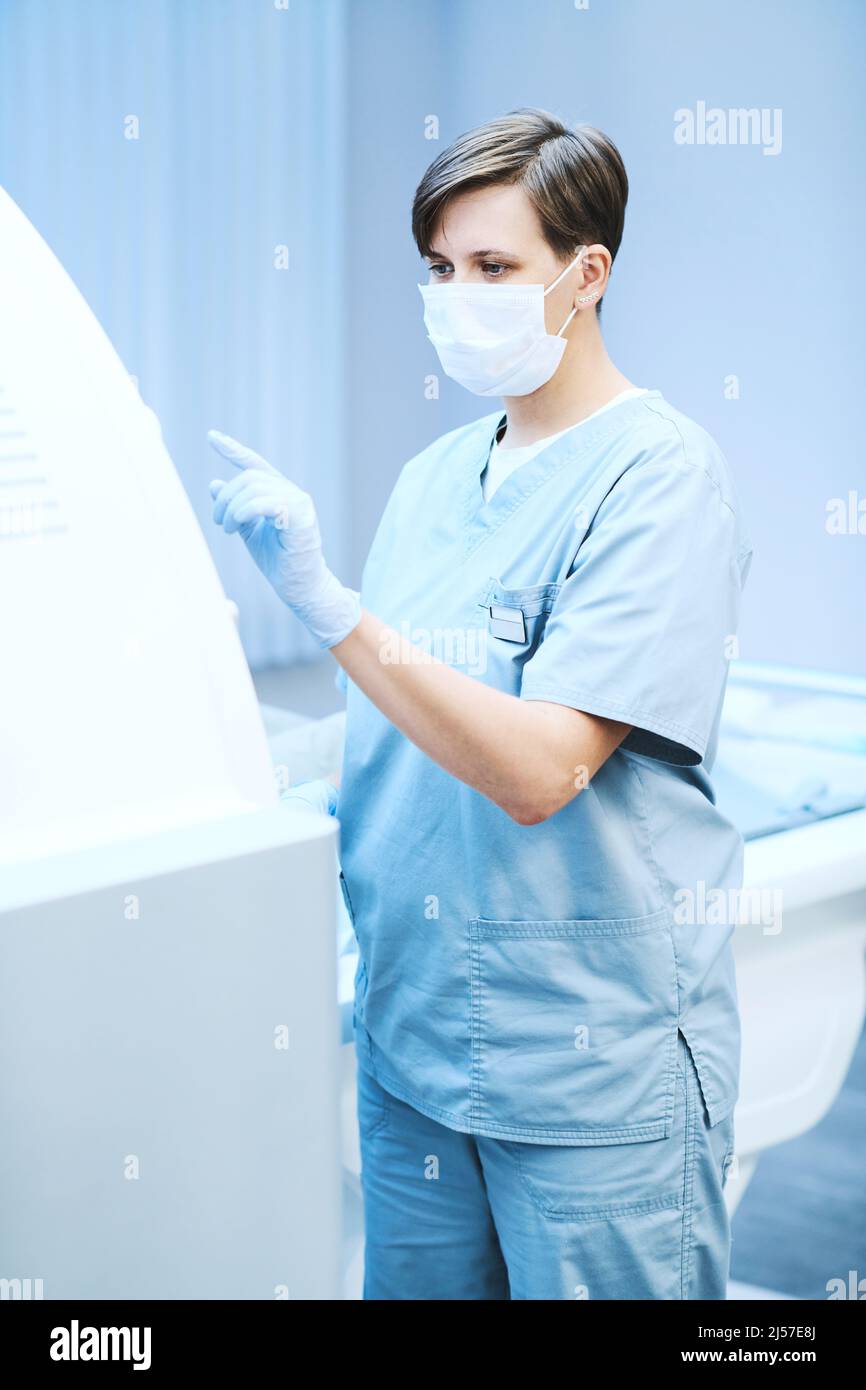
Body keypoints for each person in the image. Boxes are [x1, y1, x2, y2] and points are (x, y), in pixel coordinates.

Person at [209, 108, 752, 1300]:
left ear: (584, 273)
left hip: (585, 1069)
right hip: (414, 1041)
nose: (458, 296)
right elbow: (404, 714)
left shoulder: (658, 475)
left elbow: (537, 769)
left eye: (493, 268)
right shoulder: (432, 479)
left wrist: (328, 608)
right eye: (440, 270)